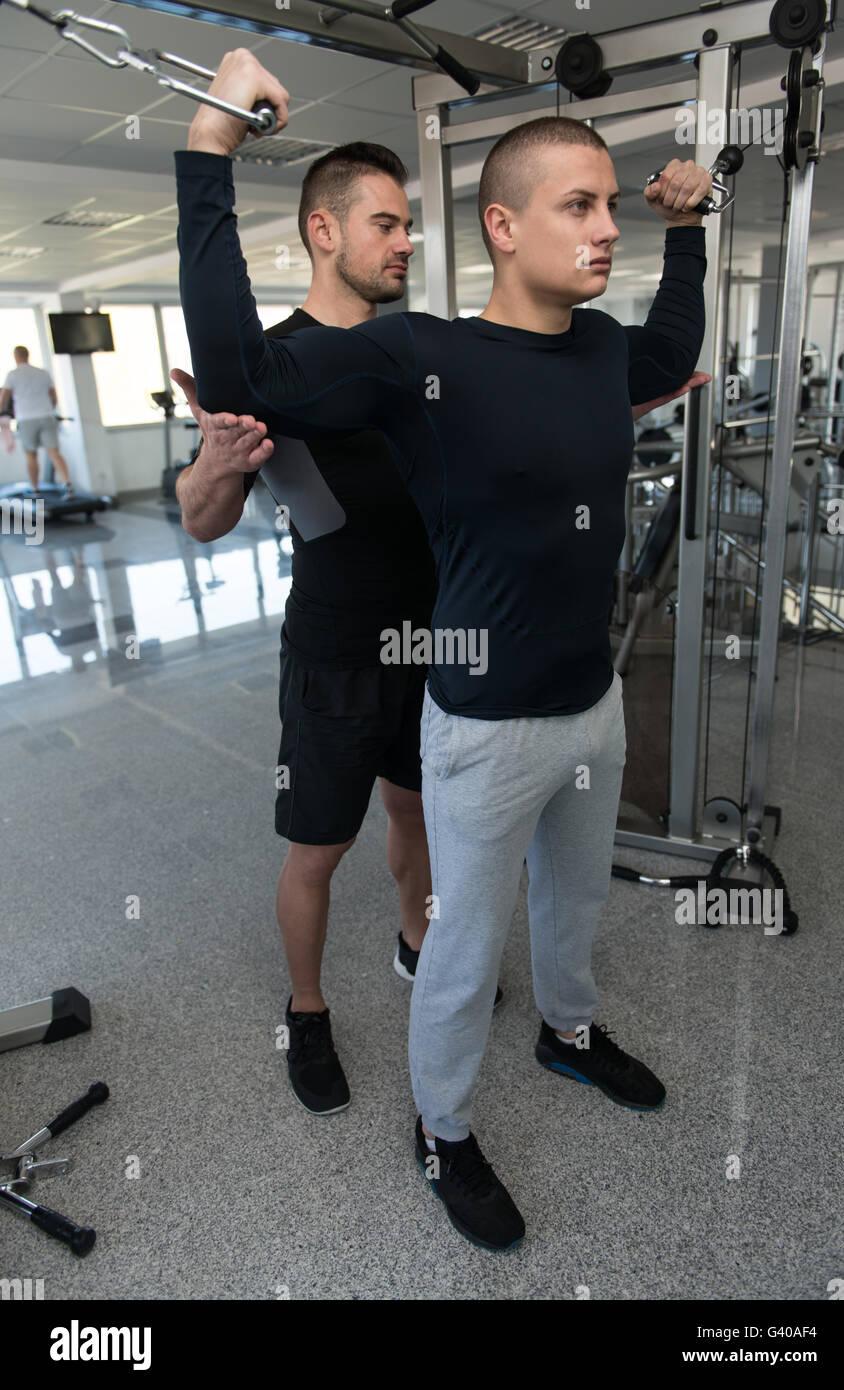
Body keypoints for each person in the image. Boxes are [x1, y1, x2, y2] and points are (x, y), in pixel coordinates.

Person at [174, 49, 713, 1251]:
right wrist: (210, 149)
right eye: (580, 206)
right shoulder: (420, 355)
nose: (604, 227)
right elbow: (240, 372)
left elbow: (672, 350)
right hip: (484, 719)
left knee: (572, 906)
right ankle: (442, 1129)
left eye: (611, 205)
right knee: (460, 943)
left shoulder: (596, 351)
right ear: (506, 224)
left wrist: (692, 226)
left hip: (592, 703)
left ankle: (568, 1035)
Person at [173, 143, 460, 1117]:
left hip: (427, 639)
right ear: (323, 229)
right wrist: (216, 458)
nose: (406, 242)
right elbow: (201, 516)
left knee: (417, 813)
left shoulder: (414, 347)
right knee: (317, 848)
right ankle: (306, 1007)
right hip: (335, 651)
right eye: (387, 223)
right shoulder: (270, 364)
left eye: (408, 225)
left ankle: (417, 939)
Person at [0, 346, 72, 493]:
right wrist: (50, 409)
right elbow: (53, 396)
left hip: (27, 419)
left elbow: (4, 397)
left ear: (16, 357)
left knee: (31, 454)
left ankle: (34, 488)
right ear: (28, 355)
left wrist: (1, 412)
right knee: (54, 453)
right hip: (46, 416)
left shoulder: (13, 375)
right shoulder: (43, 373)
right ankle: (67, 484)